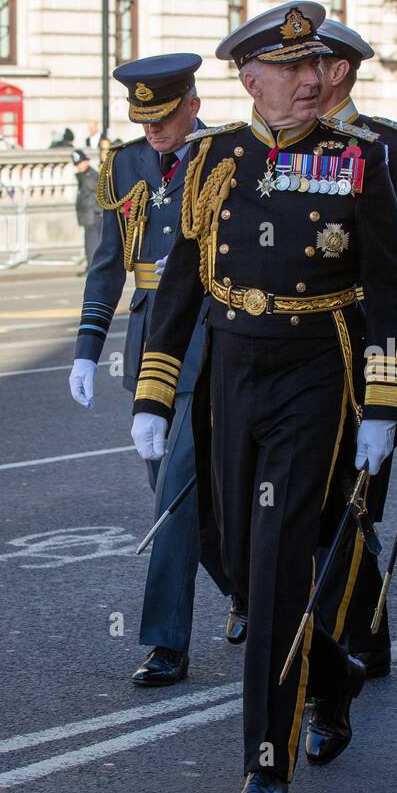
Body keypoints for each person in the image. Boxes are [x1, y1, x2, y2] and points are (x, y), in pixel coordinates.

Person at [130, 1, 397, 793]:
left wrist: (386, 402)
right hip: (229, 373)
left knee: (282, 557)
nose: (314, 80)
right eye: (293, 70)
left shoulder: (361, 161)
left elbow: (389, 292)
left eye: (318, 66)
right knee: (233, 552)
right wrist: (154, 392)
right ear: (250, 78)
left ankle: (265, 764)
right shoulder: (214, 158)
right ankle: (333, 673)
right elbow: (180, 279)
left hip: (317, 371)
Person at [288, 17, 397, 676]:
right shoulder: (285, 147)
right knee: (308, 504)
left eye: (312, 64)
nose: (300, 76)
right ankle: (338, 634)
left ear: (339, 72)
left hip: (372, 353)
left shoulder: (386, 148)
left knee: (354, 504)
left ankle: (359, 639)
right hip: (304, 356)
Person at [68, 53, 230, 689]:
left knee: (175, 493)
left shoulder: (225, 156)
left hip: (207, 336)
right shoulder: (126, 164)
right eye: (144, 119)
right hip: (147, 340)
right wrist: (87, 344)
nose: (154, 130)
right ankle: (246, 589)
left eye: (163, 117)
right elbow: (109, 262)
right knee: (176, 489)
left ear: (192, 101)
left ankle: (167, 641)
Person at [72, 150, 100, 269]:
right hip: (89, 214)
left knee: (92, 242)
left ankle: (92, 267)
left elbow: (98, 195)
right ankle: (91, 265)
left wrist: (97, 211)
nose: (79, 166)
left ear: (86, 161)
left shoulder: (90, 176)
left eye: (80, 163)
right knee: (90, 242)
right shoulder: (85, 176)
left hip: (92, 214)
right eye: (77, 164)